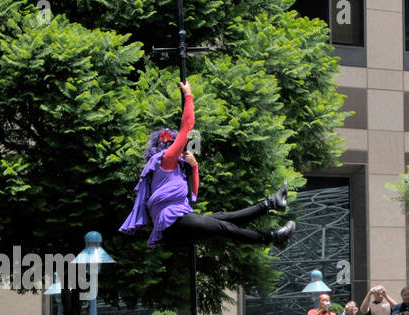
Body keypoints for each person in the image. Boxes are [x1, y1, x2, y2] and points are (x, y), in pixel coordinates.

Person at [119, 80, 293, 246]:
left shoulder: (175, 167)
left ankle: (271, 204)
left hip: (179, 221)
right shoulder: (166, 160)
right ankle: (273, 237)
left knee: (226, 218)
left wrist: (194, 167)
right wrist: (188, 95)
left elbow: (192, 196)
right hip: (173, 223)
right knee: (225, 228)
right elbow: (187, 126)